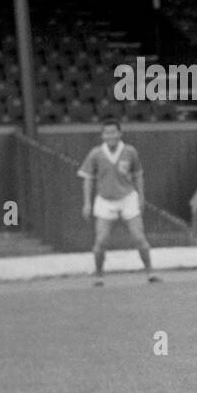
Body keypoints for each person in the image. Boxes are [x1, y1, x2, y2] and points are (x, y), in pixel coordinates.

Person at [77, 117, 160, 286]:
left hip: (128, 197)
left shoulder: (130, 151)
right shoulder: (96, 154)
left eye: (114, 132)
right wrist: (87, 202)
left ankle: (150, 272)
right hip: (105, 200)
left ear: (120, 133)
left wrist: (141, 196)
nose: (111, 135)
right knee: (101, 240)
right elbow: (88, 179)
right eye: (107, 133)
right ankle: (99, 275)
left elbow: (138, 175)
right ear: (102, 135)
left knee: (138, 237)